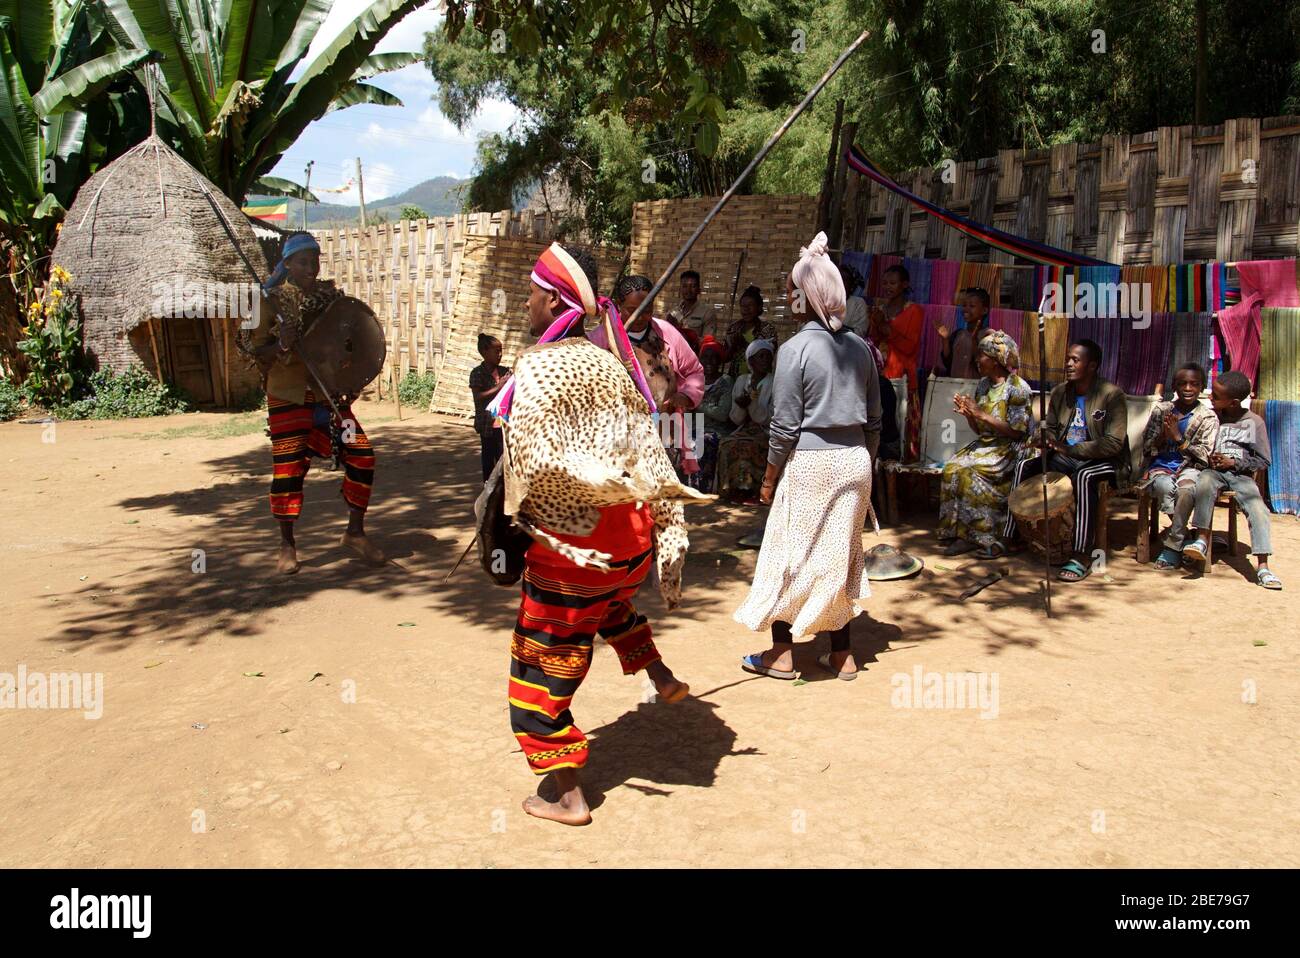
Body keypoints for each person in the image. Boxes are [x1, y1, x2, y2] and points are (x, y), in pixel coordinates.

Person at [499, 242, 695, 826]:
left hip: (573, 555)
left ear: (553, 298)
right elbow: (645, 445)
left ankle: (565, 796)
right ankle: (658, 672)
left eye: (532, 293)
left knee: (537, 669)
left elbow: (528, 468)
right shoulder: (614, 362)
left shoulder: (537, 366)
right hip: (632, 540)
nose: (526, 302)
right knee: (610, 603)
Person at [735, 232, 880, 681]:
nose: (788, 295)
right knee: (840, 554)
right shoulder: (861, 349)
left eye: (793, 289)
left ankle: (781, 655)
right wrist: (863, 463)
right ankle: (842, 655)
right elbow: (875, 421)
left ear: (809, 296)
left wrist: (768, 478)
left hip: (810, 464)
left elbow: (784, 426)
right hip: (855, 462)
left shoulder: (795, 349)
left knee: (785, 554)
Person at [246, 232, 383, 575]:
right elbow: (250, 350)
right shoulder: (266, 302)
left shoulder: (329, 299)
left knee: (363, 457)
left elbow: (349, 342)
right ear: (288, 263)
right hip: (287, 394)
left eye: (315, 260)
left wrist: (349, 380)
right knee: (289, 471)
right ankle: (287, 545)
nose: (310, 267)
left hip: (329, 395)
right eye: (303, 261)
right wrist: (280, 345)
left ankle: (354, 533)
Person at [1002, 339, 1129, 582]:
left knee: (1084, 477)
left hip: (1104, 461)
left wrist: (1070, 450)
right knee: (1023, 467)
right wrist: (1046, 441)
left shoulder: (1112, 395)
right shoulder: (1061, 392)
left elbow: (1114, 443)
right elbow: (1049, 428)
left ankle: (1082, 554)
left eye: (1075, 360)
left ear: (1092, 366)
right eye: (1068, 359)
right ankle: (1012, 535)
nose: (1068, 364)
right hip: (1065, 456)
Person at [590, 275, 705, 475]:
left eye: (647, 310)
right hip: (619, 434)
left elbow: (694, 370)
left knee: (662, 496)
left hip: (665, 431)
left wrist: (685, 396)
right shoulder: (601, 338)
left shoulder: (666, 332)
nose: (642, 316)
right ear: (618, 305)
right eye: (632, 310)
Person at [937, 330, 1033, 558]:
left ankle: (981, 536)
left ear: (996, 360)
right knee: (952, 468)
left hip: (1010, 448)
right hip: (987, 444)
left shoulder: (1018, 388)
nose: (977, 360)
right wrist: (969, 415)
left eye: (981, 356)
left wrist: (981, 414)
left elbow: (1017, 432)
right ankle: (957, 532)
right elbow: (980, 429)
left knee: (971, 471)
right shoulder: (983, 385)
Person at [1182, 371, 1281, 589]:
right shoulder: (1209, 417)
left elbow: (1263, 461)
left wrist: (1233, 463)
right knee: (1204, 483)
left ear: (1234, 402)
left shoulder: (1254, 422)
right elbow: (1195, 446)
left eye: (1216, 396)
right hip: (1212, 471)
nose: (1210, 398)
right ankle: (1200, 540)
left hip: (1241, 476)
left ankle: (1263, 566)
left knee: (1258, 508)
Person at [1139, 363, 1217, 570]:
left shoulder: (1208, 417)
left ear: (1201, 387)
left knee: (1187, 489)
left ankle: (1172, 547)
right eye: (1182, 383)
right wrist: (1162, 438)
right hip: (1161, 466)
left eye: (1194, 384)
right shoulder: (1162, 410)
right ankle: (1186, 537)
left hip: (1190, 467)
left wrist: (1178, 437)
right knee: (1165, 487)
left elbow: (1204, 455)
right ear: (1174, 386)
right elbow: (1146, 447)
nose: (1188, 388)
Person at [869, 265, 924, 459]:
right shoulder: (880, 310)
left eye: (893, 283)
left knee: (902, 430)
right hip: (882, 377)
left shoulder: (914, 311)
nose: (888, 287)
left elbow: (909, 346)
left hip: (904, 378)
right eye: (885, 283)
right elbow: (873, 342)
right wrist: (875, 324)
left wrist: (883, 325)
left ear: (904, 285)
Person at [716, 339, 775, 501]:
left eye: (767, 357)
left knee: (750, 447)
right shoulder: (742, 380)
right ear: (750, 361)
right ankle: (732, 489)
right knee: (727, 444)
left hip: (765, 430)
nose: (765, 360)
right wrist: (741, 406)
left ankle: (751, 491)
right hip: (743, 428)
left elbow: (770, 417)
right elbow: (735, 419)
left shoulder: (774, 382)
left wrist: (752, 404)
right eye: (760, 356)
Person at [687, 335, 735, 493]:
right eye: (705, 357)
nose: (709, 361)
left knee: (702, 440)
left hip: (717, 430)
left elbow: (722, 413)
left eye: (714, 358)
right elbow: (686, 410)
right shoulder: (695, 380)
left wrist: (696, 403)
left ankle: (702, 487)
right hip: (694, 427)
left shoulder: (725, 381)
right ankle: (688, 485)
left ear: (720, 361)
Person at [468, 332, 510, 481]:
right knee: (488, 460)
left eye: (501, 351)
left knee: (504, 460)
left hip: (504, 424)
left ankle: (503, 492)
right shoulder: (477, 373)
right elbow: (478, 397)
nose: (500, 354)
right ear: (484, 352)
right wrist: (499, 387)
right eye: (496, 351)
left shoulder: (505, 372)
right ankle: (488, 491)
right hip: (487, 424)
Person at [938, 287, 992, 379]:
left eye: (972, 306)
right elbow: (948, 363)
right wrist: (945, 340)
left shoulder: (989, 336)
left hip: (976, 389)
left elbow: (985, 367)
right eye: (964, 305)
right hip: (956, 389)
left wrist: (974, 340)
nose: (965, 309)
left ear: (984, 310)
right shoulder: (958, 334)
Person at [724, 286, 779, 377]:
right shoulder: (733, 328)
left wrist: (745, 344)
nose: (746, 309)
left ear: (759, 307)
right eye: (743, 306)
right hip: (735, 379)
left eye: (750, 305)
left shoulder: (768, 329)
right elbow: (725, 358)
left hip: (759, 380)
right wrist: (733, 347)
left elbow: (769, 357)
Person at [666, 269, 714, 349]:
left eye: (693, 286)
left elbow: (707, 344)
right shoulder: (673, 312)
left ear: (699, 290)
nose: (688, 290)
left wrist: (686, 335)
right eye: (685, 286)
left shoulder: (707, 313)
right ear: (680, 289)